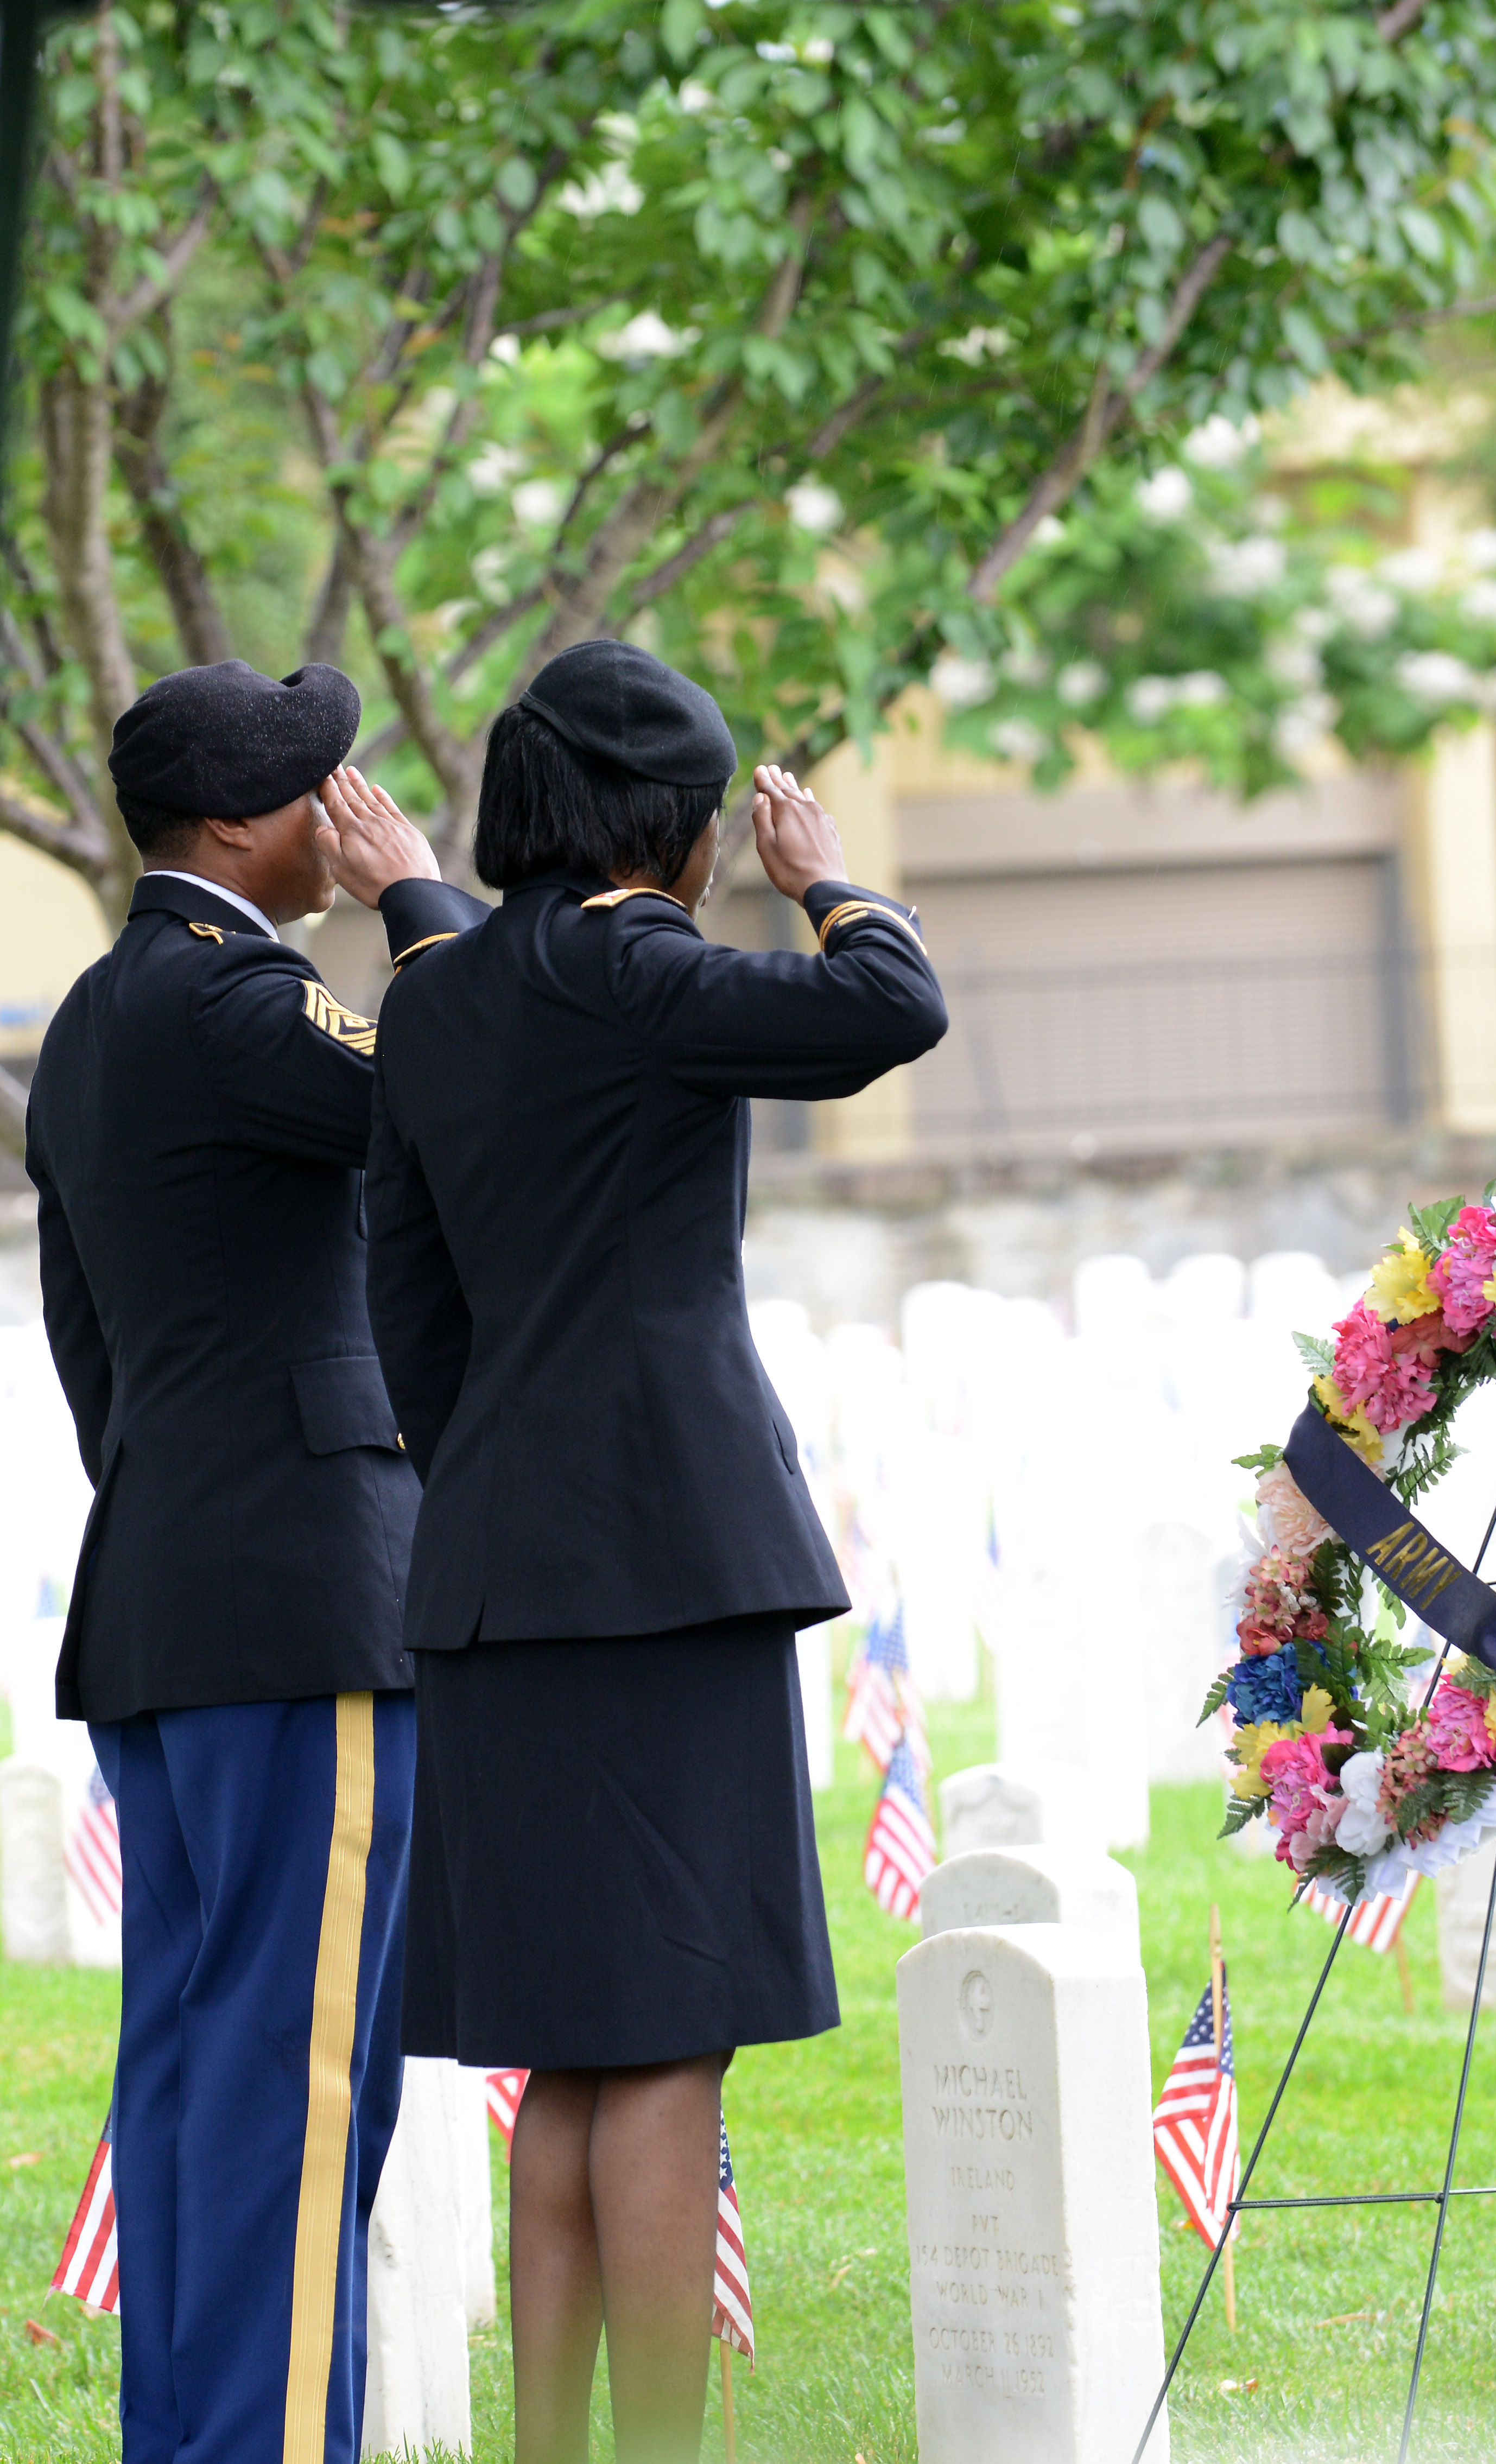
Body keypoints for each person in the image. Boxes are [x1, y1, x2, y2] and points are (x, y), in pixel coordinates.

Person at [364, 639, 947, 2464]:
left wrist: (499, 1489)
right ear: (669, 829)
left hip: (492, 1564)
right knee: (668, 2029)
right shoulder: (645, 969)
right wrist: (829, 877)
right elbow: (891, 1006)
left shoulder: (435, 999)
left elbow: (408, 1306)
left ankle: (554, 2450)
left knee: (557, 2043)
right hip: (668, 1563)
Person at [25, 658, 487, 2464]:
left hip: (168, 1589)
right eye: (325, 783)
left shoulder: (86, 1017)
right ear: (240, 826)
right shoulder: (243, 1003)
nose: (350, 801)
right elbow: (461, 1095)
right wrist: (423, 910)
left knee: (200, 2072)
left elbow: (90, 1345)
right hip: (303, 1595)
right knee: (301, 2090)